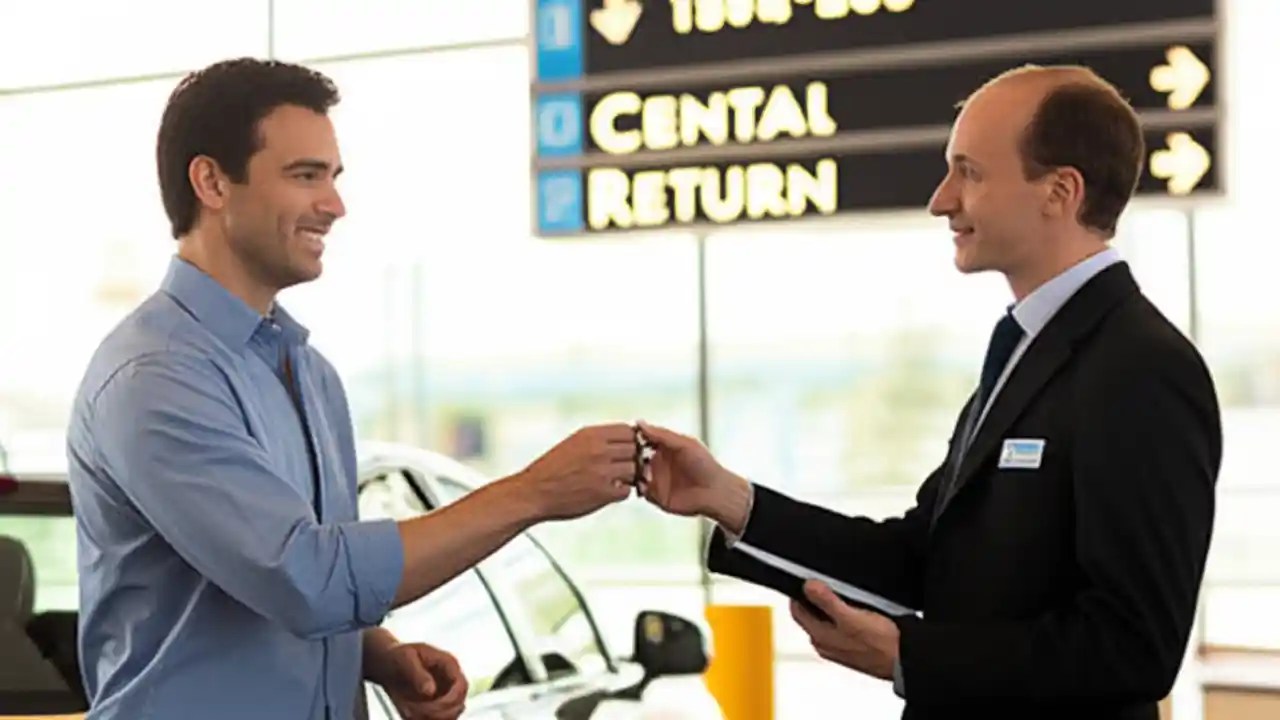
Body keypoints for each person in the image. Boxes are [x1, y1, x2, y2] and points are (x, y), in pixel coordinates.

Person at [636, 65, 1221, 720]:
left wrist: (910, 655)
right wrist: (727, 498)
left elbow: (1134, 646)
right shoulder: (1027, 352)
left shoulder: (1142, 367)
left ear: (1060, 192)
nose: (941, 200)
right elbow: (926, 558)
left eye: (969, 172)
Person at [65, 58, 640, 720]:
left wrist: (374, 653)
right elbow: (304, 578)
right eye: (305, 175)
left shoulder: (309, 375)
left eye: (333, 178)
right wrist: (533, 493)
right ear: (212, 182)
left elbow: (277, 583)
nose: (334, 206)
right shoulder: (155, 377)